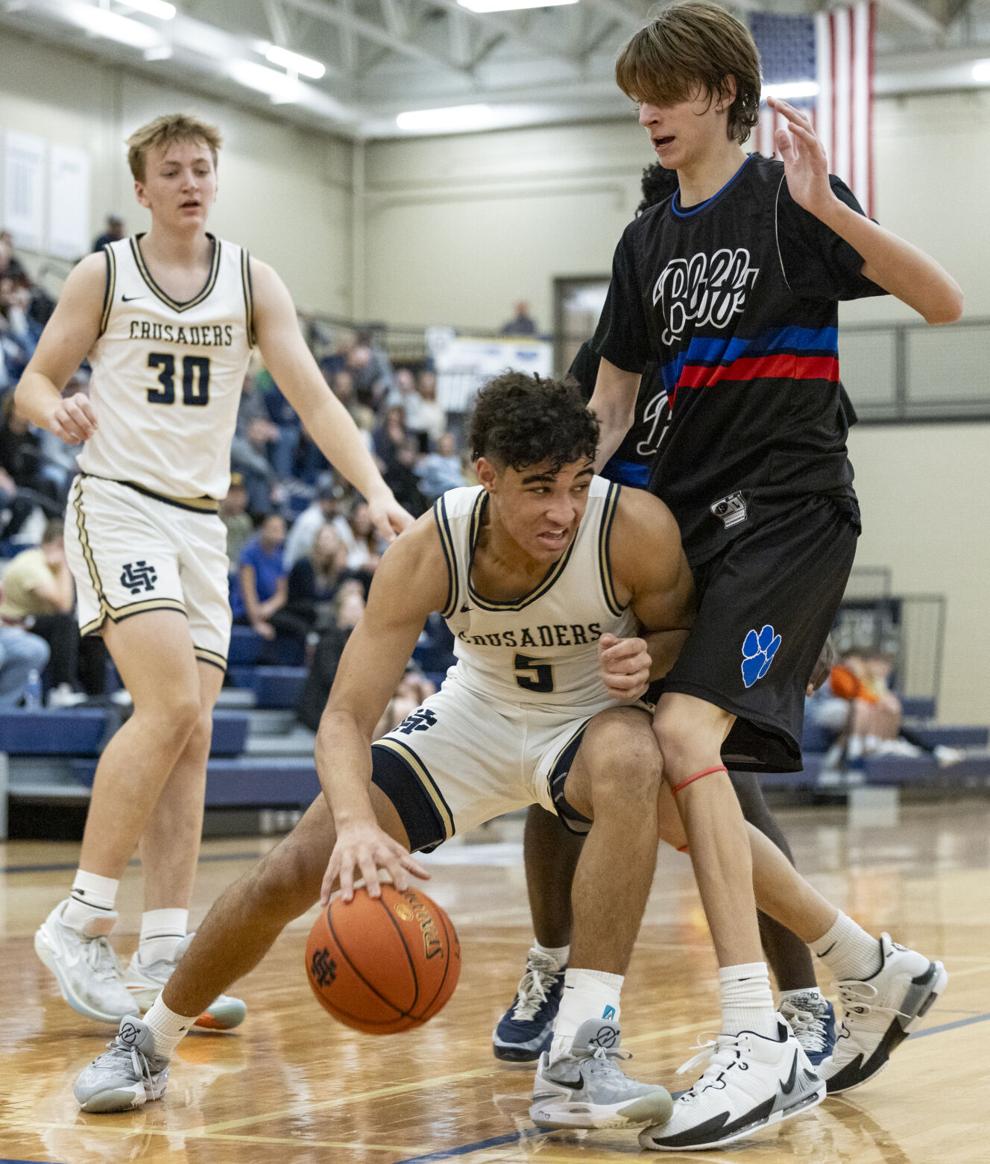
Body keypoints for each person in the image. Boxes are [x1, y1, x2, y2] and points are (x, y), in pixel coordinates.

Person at [74, 377, 942, 1157]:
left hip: (589, 721)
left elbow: (684, 640)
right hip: (474, 718)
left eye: (574, 484)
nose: (562, 509)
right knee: (290, 869)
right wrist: (350, 828)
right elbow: (342, 718)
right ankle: (147, 1038)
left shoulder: (629, 528)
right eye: (538, 490)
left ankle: (579, 1052)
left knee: (645, 766)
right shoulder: (430, 546)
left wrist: (651, 655)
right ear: (485, 476)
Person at [584, 3, 960, 1149]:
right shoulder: (646, 241)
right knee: (656, 772)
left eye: (671, 89)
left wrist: (825, 204)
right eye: (640, 91)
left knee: (686, 743)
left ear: (724, 95)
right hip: (685, 535)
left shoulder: (784, 204)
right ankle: (870, 965)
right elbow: (605, 406)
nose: (650, 109)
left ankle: (754, 1035)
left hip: (789, 515)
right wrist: (544, 527)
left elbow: (941, 300)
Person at [16, 112, 411, 1033]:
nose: (191, 182)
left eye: (202, 168)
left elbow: (314, 398)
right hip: (117, 499)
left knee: (193, 737)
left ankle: (164, 950)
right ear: (143, 190)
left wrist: (378, 492)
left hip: (201, 527)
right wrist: (57, 409)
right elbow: (30, 384)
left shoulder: (251, 280)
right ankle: (79, 920)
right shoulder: (104, 273)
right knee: (170, 710)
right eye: (172, 171)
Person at [494, 162, 835, 1074]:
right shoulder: (605, 360)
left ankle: (802, 997)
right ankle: (553, 965)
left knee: (725, 782)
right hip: (609, 590)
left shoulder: (752, 351)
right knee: (559, 782)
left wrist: (811, 611)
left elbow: (809, 490)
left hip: (719, 578)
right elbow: (551, 470)